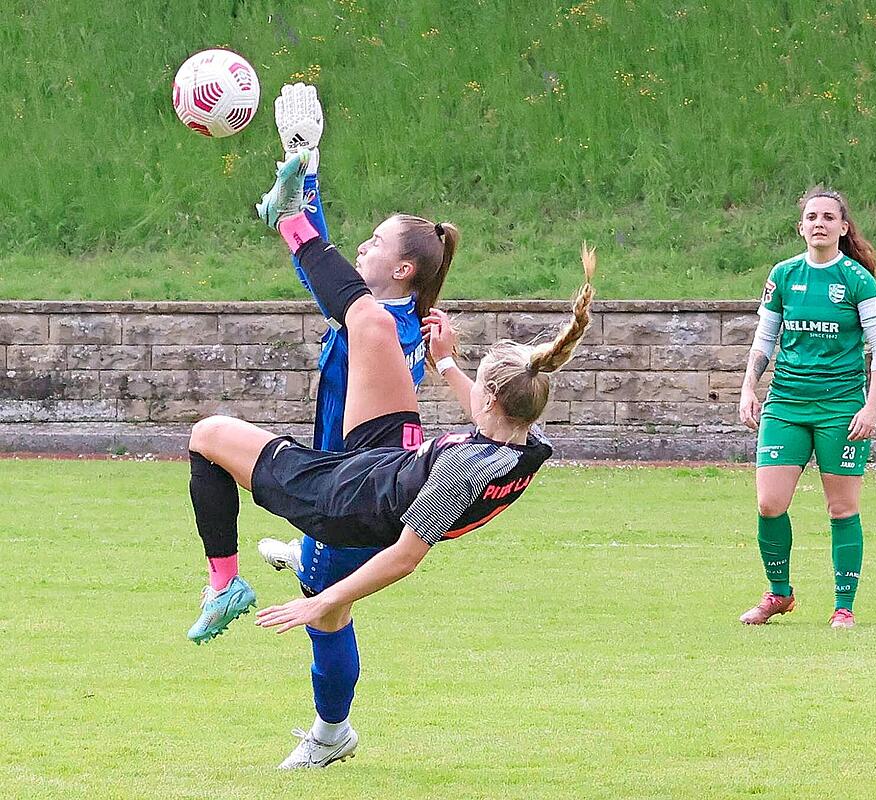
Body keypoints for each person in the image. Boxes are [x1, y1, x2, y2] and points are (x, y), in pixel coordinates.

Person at [185, 150, 596, 767]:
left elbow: (405, 554)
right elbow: (488, 412)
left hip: (351, 503)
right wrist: (452, 364)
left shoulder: (469, 468)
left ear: (489, 398)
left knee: (208, 435)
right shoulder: (520, 444)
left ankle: (233, 594)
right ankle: (291, 218)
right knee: (368, 320)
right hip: (389, 458)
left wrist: (322, 601)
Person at [185, 84, 457, 647]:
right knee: (210, 438)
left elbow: (324, 272)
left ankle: (331, 729)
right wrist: (304, 170)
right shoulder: (401, 319)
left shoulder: (379, 325)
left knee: (326, 618)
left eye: (375, 242)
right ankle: (292, 556)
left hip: (347, 495)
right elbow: (329, 271)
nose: (361, 247)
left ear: (403, 268)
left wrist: (303, 183)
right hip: (345, 480)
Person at [738, 187, 876, 629]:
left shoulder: (857, 280)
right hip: (785, 403)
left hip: (840, 408)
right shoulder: (784, 275)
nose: (819, 223)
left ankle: (844, 605)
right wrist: (749, 388)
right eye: (811, 216)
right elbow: (764, 338)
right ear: (801, 226)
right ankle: (779, 594)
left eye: (828, 216)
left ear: (843, 228)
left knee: (841, 509)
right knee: (769, 503)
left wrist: (871, 408)